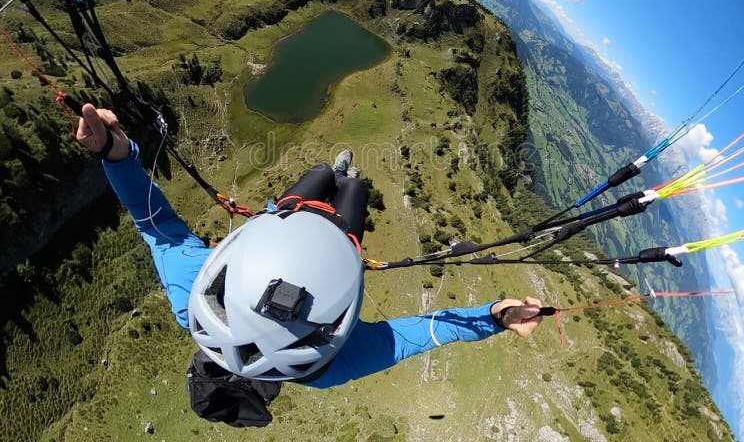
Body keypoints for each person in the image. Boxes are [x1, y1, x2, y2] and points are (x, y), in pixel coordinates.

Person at [75, 103, 544, 424]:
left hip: (328, 234)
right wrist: (114, 155)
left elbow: (419, 335)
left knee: (342, 185)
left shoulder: (325, 365)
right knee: (338, 182)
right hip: (288, 216)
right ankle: (340, 176)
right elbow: (157, 225)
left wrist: (496, 316)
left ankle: (340, 176)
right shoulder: (196, 297)